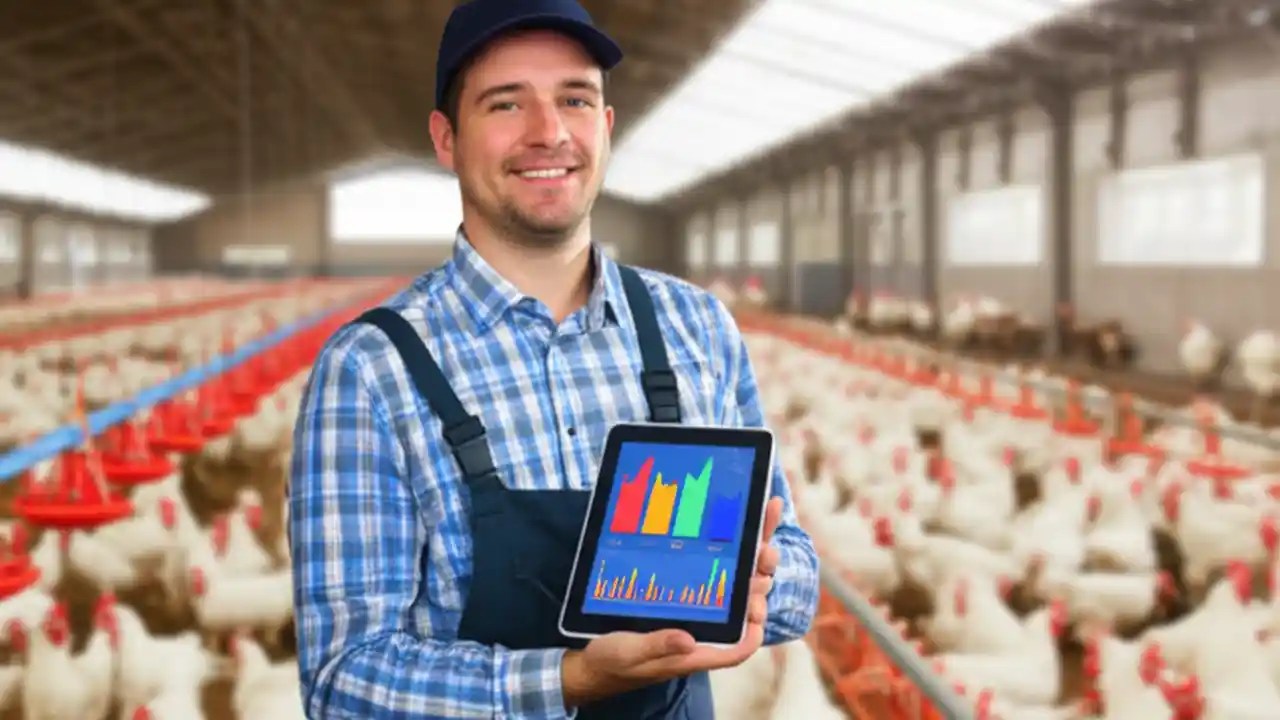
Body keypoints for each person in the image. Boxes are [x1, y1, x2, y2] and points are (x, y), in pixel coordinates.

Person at [287, 0, 819, 717]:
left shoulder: (696, 327)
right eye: (506, 104)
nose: (549, 133)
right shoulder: (369, 370)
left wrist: (748, 587)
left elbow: (795, 569)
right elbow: (342, 681)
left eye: (575, 98)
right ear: (446, 139)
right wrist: (569, 679)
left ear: (605, 127)